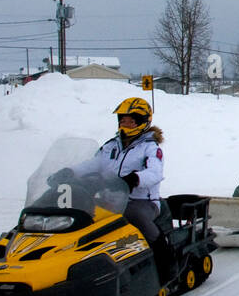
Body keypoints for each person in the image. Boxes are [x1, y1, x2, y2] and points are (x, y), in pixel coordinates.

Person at [68, 97, 175, 280]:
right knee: (80, 216)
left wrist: (134, 179)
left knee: (136, 218)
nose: (126, 124)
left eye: (131, 120)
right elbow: (92, 164)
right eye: (123, 120)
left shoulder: (149, 147)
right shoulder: (111, 146)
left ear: (142, 121)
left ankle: (166, 265)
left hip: (142, 201)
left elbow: (155, 173)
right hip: (109, 198)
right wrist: (69, 172)